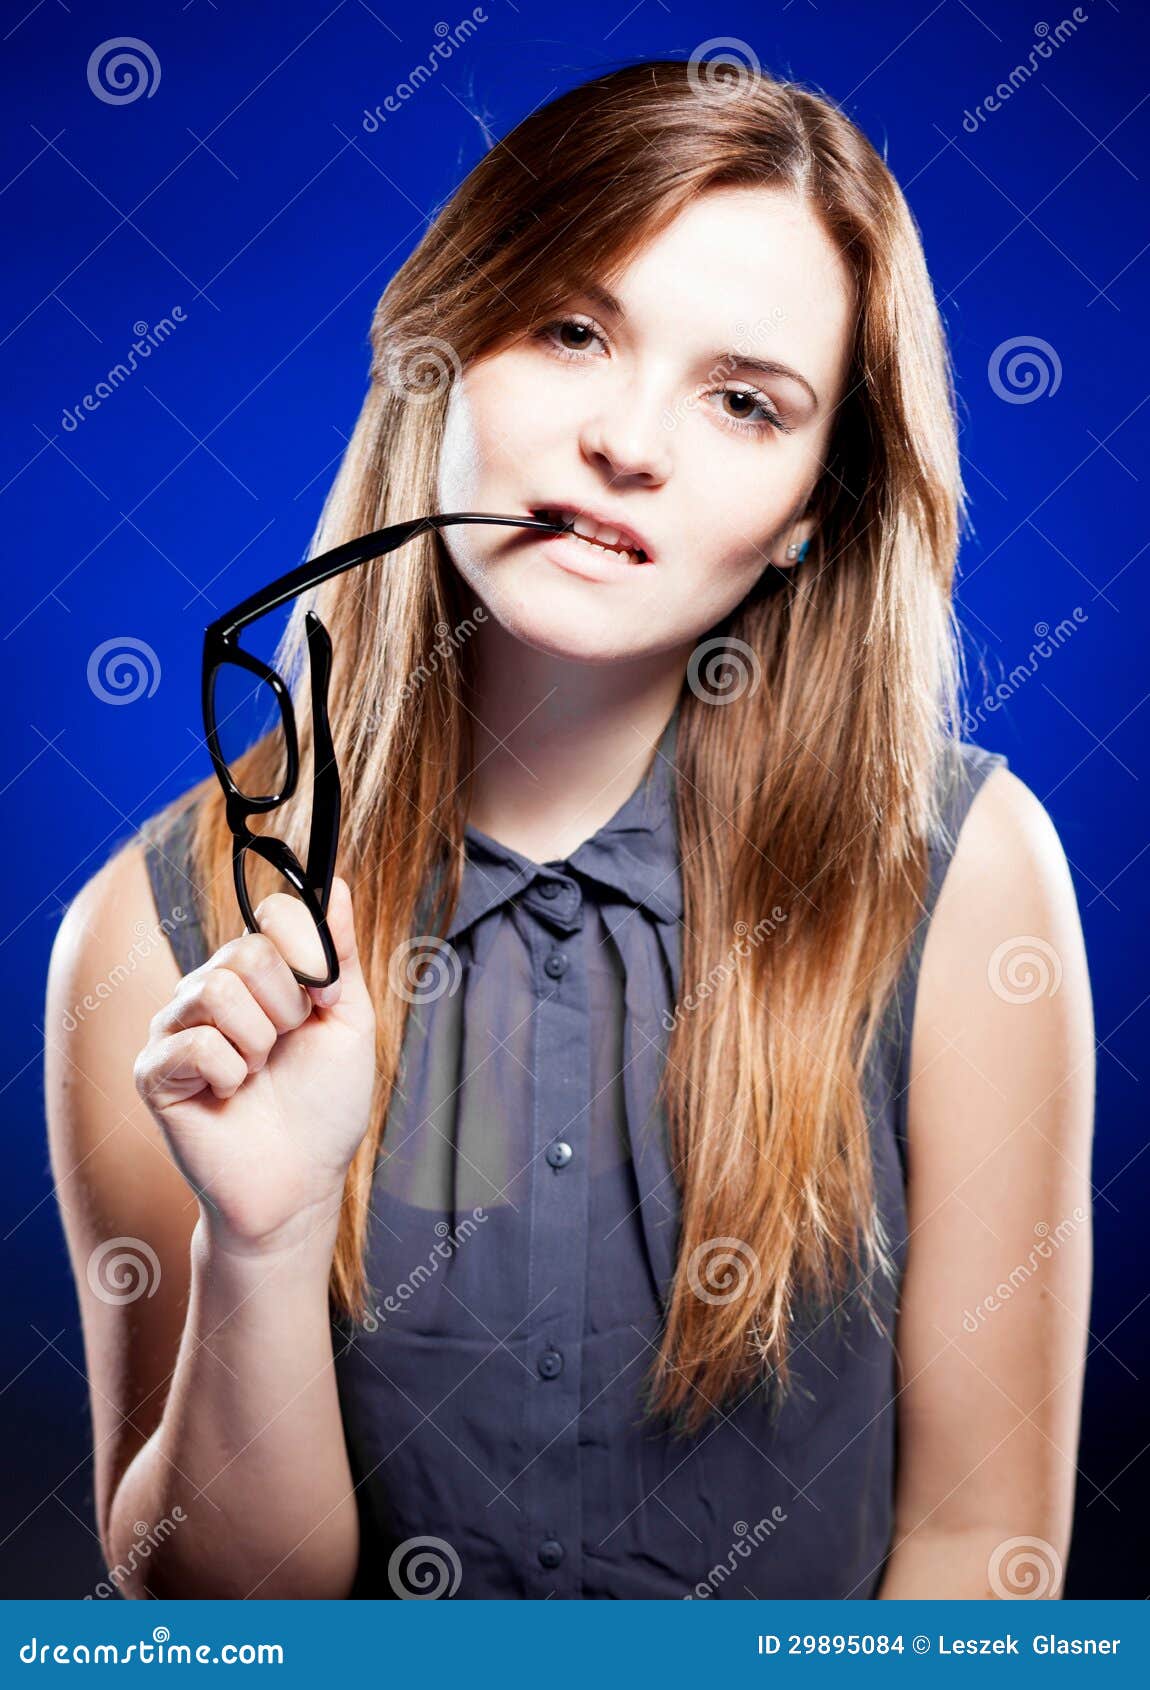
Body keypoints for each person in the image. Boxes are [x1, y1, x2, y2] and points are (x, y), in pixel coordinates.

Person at [45, 58, 1094, 1601]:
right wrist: (257, 1250)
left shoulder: (965, 875)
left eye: (744, 400)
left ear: (815, 501)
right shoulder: (155, 930)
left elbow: (975, 1554)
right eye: (572, 329)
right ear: (445, 350)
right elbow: (223, 1622)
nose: (628, 440)